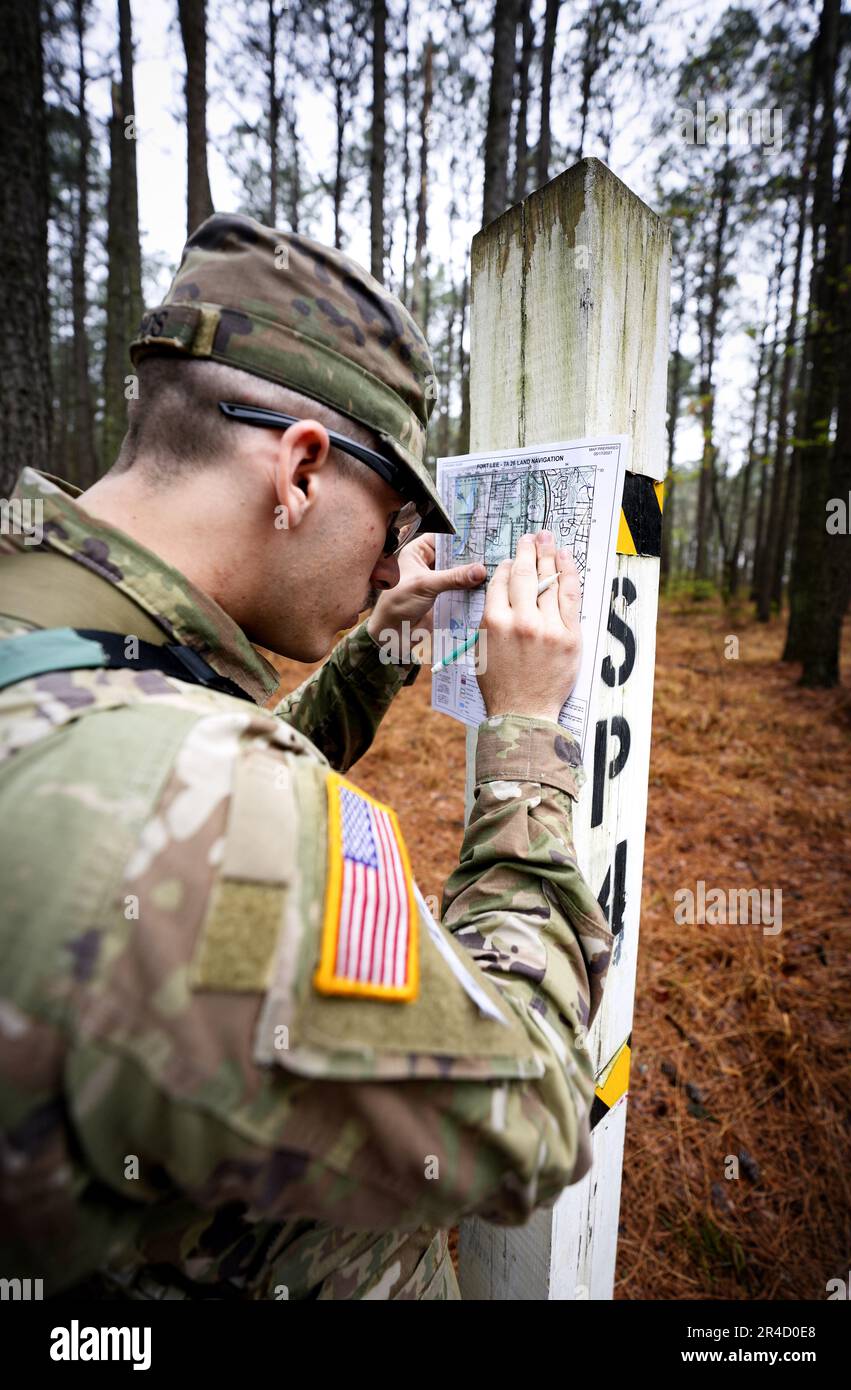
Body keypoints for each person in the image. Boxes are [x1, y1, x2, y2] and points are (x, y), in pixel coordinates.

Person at [0, 212, 612, 1301]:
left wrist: (376, 658)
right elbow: (531, 1113)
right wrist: (522, 739)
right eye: (393, 522)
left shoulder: (43, 626)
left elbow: (134, 758)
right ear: (299, 469)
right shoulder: (210, 813)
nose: (391, 566)